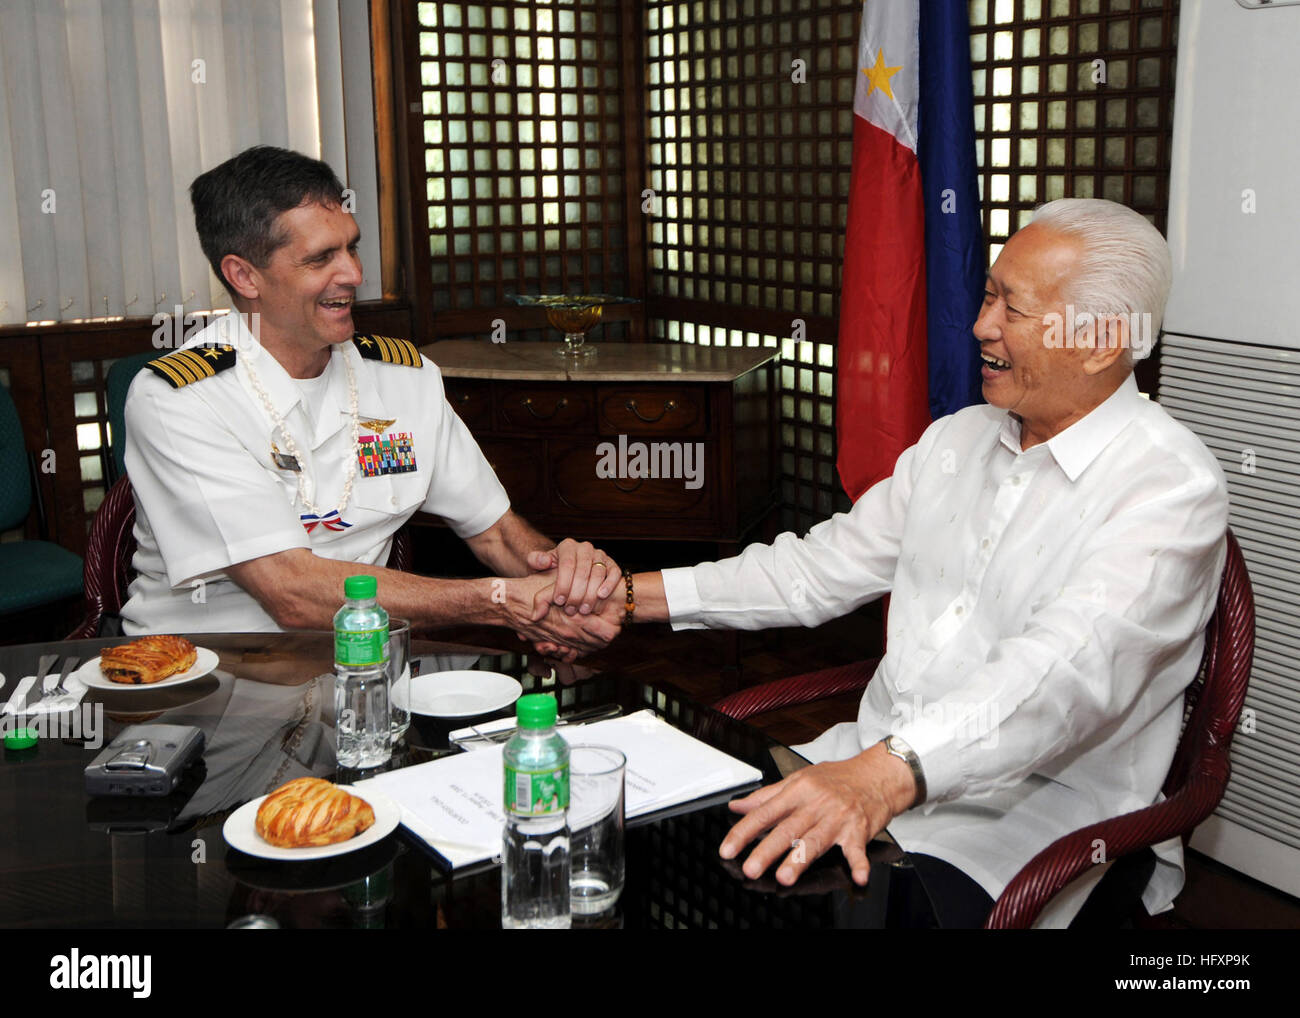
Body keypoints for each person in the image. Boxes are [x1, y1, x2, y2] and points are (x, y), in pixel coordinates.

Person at [598, 199, 1228, 927]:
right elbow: (819, 568)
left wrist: (885, 775)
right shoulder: (959, 439)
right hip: (860, 764)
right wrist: (627, 597)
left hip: (1035, 820)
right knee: (665, 854)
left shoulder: (1171, 486)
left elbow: (1062, 676)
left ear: (1099, 342)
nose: (981, 326)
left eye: (1012, 308)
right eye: (988, 294)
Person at [121, 146, 618, 658]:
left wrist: (570, 585)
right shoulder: (180, 399)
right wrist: (498, 601)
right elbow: (290, 592)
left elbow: (496, 533)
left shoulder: (404, 377)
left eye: (351, 248)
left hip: (361, 662)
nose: (354, 275)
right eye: (321, 258)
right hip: (205, 670)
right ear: (244, 276)